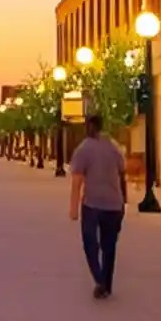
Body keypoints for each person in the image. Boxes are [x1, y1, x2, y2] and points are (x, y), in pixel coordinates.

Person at [68, 114, 126, 300]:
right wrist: (124, 200)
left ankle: (100, 280)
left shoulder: (83, 149)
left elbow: (77, 180)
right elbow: (122, 172)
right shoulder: (112, 147)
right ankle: (105, 285)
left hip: (92, 204)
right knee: (109, 247)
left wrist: (73, 208)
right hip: (114, 204)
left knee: (90, 243)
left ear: (87, 127)